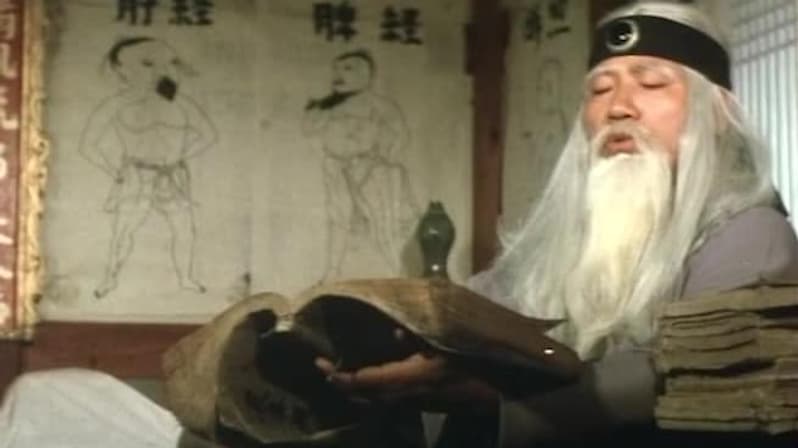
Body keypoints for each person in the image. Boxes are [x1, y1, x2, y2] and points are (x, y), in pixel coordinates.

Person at [316, 2, 798, 447]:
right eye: (600, 89)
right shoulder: (566, 239)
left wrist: (491, 400)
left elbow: (690, 375)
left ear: (718, 113)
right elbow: (476, 312)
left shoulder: (750, 234)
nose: (618, 107)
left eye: (651, 84)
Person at [79, 36, 217, 298]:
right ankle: (109, 279)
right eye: (147, 64)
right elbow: (88, 145)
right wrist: (115, 172)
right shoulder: (115, 105)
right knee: (123, 231)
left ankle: (186, 278)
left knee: (184, 229)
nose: (160, 71)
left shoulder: (181, 104)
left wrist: (181, 156)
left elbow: (208, 135)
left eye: (168, 63)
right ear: (122, 69)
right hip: (136, 176)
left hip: (172, 176)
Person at [302, 49, 419, 281]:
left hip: (372, 171)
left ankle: (397, 273)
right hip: (337, 169)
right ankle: (332, 272)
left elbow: (400, 136)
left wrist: (381, 158)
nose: (339, 75)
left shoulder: (379, 105)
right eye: (336, 69)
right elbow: (309, 131)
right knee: (338, 219)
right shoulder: (327, 107)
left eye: (348, 69)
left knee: (382, 222)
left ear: (366, 74)